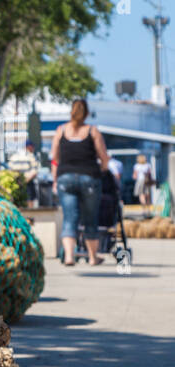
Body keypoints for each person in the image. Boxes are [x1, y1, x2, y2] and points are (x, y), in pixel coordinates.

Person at [50, 98, 111, 266]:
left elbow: (55, 158)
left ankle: (69, 256)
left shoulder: (60, 130)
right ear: (86, 113)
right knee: (90, 219)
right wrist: (104, 169)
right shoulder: (92, 131)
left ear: (71, 112)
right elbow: (104, 158)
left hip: (65, 178)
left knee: (70, 218)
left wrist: (55, 179)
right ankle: (93, 257)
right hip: (89, 178)